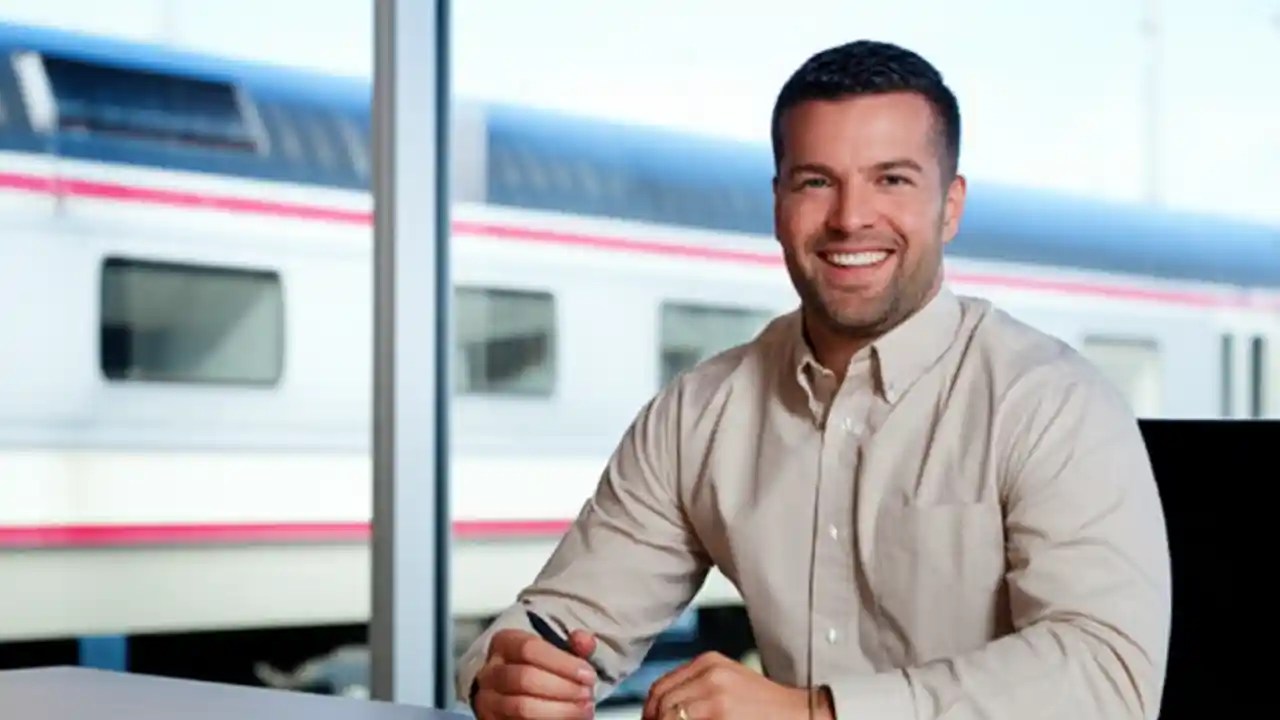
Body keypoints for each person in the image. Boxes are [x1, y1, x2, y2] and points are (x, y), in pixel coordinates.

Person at [456, 39, 1172, 720]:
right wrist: (507, 673)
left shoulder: (1050, 401)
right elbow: (554, 625)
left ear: (950, 206)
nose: (850, 218)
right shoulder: (698, 415)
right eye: (816, 182)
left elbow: (1107, 680)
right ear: (778, 205)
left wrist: (817, 711)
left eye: (891, 179)